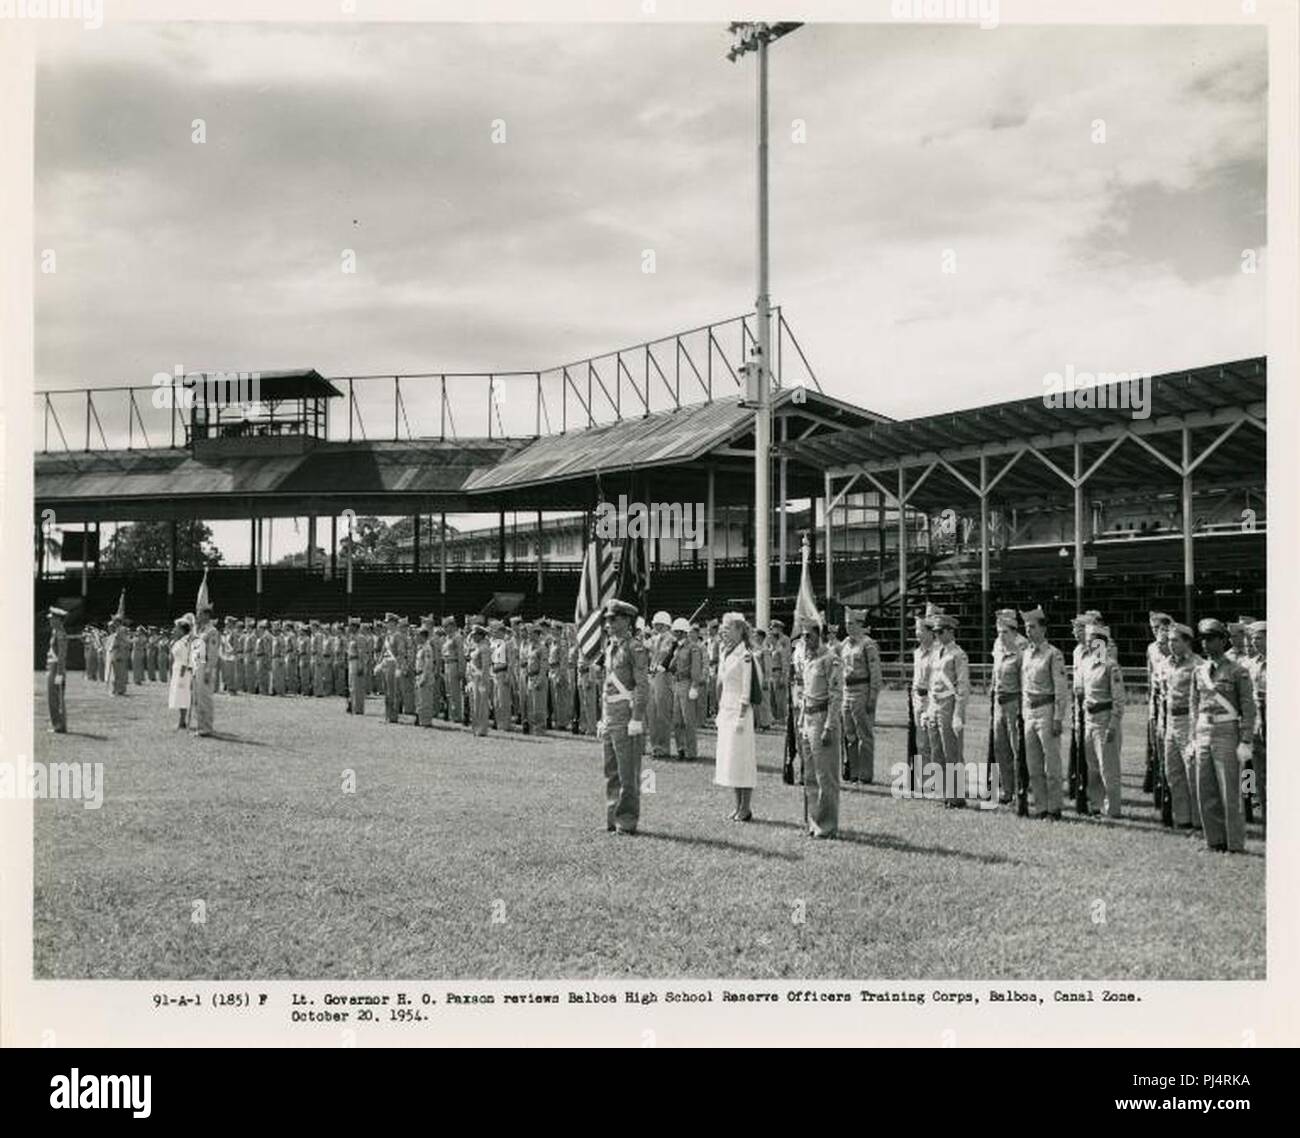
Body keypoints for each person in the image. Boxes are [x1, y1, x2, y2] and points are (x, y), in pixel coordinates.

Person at [1187, 618, 1255, 853]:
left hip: (1228, 732)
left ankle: (1235, 844)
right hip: (1203, 731)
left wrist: (1246, 739)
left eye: (1211, 638)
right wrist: (1192, 738)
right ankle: (1214, 841)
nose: (1205, 643)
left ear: (1222, 640)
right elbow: (1193, 706)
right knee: (1205, 789)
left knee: (1230, 792)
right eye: (1203, 639)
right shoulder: (1199, 671)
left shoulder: (1238, 671)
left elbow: (1248, 707)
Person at [598, 599, 648, 835]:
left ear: (626, 621)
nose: (609, 623)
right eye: (607, 619)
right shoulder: (610, 646)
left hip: (627, 717)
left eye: (613, 619)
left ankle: (627, 821)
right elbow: (606, 685)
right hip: (610, 716)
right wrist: (601, 717)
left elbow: (641, 685)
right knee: (610, 771)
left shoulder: (635, 647)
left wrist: (637, 717)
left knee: (629, 773)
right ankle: (612, 818)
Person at [1019, 605, 1069, 820]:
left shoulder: (1053, 655)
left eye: (1032, 627)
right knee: (1034, 764)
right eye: (1026, 627)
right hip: (1030, 711)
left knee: (1052, 764)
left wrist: (1058, 717)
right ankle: (1040, 807)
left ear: (1043, 629)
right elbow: (1024, 686)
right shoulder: (1027, 654)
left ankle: (1054, 808)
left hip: (1047, 711)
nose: (1028, 631)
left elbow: (1060, 689)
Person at [799, 616, 843, 838]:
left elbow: (836, 696)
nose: (806, 639)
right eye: (803, 635)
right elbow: (805, 693)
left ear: (820, 634)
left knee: (825, 775)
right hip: (807, 719)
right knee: (809, 774)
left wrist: (829, 726)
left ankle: (827, 825)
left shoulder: (830, 660)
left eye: (810, 635)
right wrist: (800, 721)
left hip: (822, 718)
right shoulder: (808, 659)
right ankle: (813, 821)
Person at [714, 612, 758, 821]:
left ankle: (746, 807)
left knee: (743, 760)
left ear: (739, 630)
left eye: (728, 627)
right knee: (730, 759)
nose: (724, 630)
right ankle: (737, 805)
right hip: (726, 709)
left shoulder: (745, 654)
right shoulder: (726, 652)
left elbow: (747, 689)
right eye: (723, 627)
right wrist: (720, 711)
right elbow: (723, 683)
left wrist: (741, 715)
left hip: (740, 712)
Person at [1079, 621, 1125, 818]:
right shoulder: (1087, 664)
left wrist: (1113, 725)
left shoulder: (1110, 666)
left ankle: (1113, 809)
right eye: (1088, 641)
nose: (1089, 645)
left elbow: (1119, 700)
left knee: (1109, 768)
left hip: (1105, 719)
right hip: (1090, 720)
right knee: (1093, 768)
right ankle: (1096, 805)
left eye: (1093, 641)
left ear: (1102, 643)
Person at [926, 613, 970, 807]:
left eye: (941, 631)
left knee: (951, 750)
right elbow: (932, 681)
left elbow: (962, 686)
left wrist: (958, 713)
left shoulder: (958, 655)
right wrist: (928, 708)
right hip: (936, 703)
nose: (937, 635)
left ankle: (957, 796)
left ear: (951, 632)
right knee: (936, 750)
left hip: (949, 703)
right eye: (935, 632)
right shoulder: (937, 652)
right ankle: (945, 792)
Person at [1162, 622, 1201, 832]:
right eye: (1169, 640)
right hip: (1170, 721)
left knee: (1192, 771)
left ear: (1187, 641)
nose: (1171, 644)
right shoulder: (1167, 664)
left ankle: (1198, 820)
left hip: (1189, 720)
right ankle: (1183, 818)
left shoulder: (1198, 664)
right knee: (1173, 771)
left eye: (1175, 640)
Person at [840, 608, 883, 784]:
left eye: (851, 623)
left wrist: (872, 697)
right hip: (847, 691)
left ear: (860, 624)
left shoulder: (868, 644)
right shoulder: (844, 644)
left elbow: (875, 673)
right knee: (850, 735)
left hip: (861, 690)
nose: (848, 627)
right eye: (846, 623)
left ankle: (865, 774)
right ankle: (853, 772)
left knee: (864, 734)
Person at [990, 609, 1025, 809]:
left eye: (1004, 631)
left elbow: (1023, 683)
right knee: (1000, 747)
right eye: (998, 631)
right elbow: (996, 673)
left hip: (1014, 703)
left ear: (1013, 630)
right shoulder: (998, 645)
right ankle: (1007, 790)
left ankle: (1020, 788)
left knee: (1016, 748)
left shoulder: (1021, 649)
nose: (1000, 636)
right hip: (999, 702)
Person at [910, 606, 939, 796]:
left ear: (930, 632)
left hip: (932, 699)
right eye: (916, 630)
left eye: (920, 630)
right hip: (919, 699)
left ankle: (939, 781)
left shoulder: (938, 652)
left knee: (935, 742)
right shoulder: (917, 652)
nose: (917, 634)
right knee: (921, 742)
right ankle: (927, 782)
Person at [670, 617, 704, 761]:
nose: (674, 634)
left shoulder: (693, 647)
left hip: (687, 683)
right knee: (677, 720)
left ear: (682, 632)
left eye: (676, 632)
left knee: (688, 720)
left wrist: (694, 686)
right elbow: (671, 667)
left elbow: (696, 668)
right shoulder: (677, 647)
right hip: (677, 684)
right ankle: (681, 749)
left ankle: (691, 752)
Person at [1244, 620, 1266, 821]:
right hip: (1253, 724)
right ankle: (1248, 797)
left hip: (1265, 721)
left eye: (1255, 638)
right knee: (1247, 769)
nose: (1247, 642)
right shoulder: (1245, 663)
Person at [647, 611, 675, 759]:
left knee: (662, 713)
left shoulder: (671, 640)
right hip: (652, 676)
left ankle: (663, 747)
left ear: (666, 625)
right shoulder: (654, 639)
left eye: (659, 624)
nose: (656, 626)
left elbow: (667, 655)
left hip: (664, 677)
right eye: (655, 624)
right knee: (651, 713)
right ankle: (654, 746)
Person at [190, 603, 218, 737]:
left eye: (200, 614)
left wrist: (208, 670)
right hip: (197, 665)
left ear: (206, 615)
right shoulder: (200, 631)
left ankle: (206, 727)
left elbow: (212, 653)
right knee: (197, 697)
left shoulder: (211, 632)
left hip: (204, 665)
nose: (197, 616)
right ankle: (200, 725)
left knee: (204, 698)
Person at [169, 615, 194, 730]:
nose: (174, 630)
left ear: (182, 630)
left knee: (182, 695)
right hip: (177, 670)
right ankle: (181, 720)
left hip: (182, 672)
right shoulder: (179, 641)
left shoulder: (185, 643)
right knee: (178, 696)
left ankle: (182, 721)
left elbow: (185, 661)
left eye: (176, 628)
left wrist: (182, 677)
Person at [45, 606, 69, 733]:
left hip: (56, 667)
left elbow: (61, 655)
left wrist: (60, 673)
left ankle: (59, 725)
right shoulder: (56, 632)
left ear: (58, 620)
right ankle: (57, 723)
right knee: (53, 697)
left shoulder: (60, 633)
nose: (50, 621)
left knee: (55, 697)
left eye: (52, 619)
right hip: (52, 666)